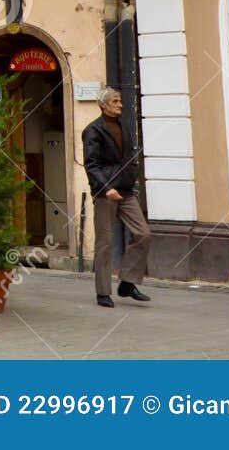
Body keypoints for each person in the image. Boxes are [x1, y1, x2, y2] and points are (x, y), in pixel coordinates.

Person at [83, 87, 151, 308]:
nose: (120, 104)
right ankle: (103, 292)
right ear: (103, 105)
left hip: (127, 190)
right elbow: (91, 165)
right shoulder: (93, 130)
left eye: (120, 100)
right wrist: (105, 187)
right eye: (115, 101)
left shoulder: (123, 125)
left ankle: (128, 282)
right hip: (107, 193)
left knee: (143, 233)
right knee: (105, 243)